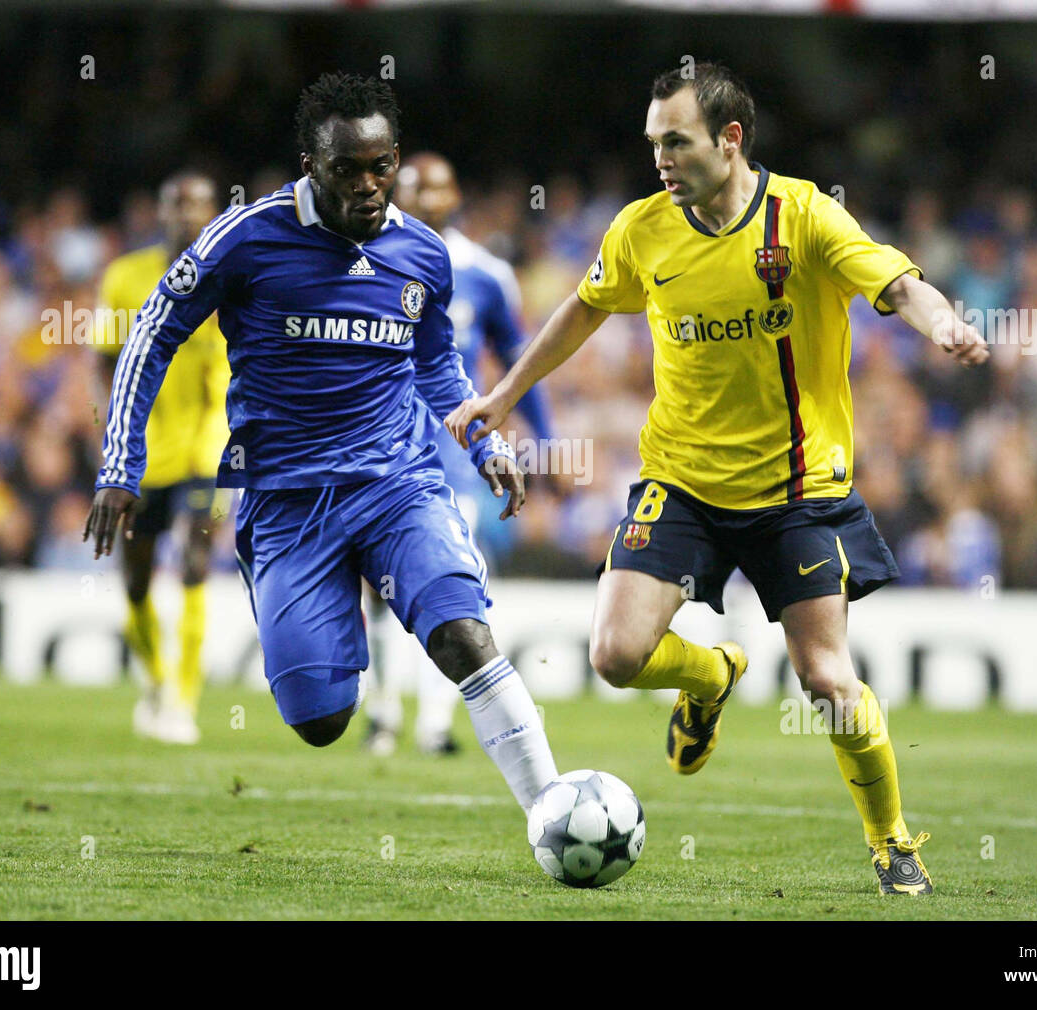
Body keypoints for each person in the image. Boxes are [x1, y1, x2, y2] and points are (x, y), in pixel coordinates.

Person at [449, 62, 988, 893]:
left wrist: (943, 320)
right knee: (615, 654)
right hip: (682, 479)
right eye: (653, 143)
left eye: (677, 142)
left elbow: (896, 282)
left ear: (730, 140)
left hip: (796, 489)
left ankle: (892, 842)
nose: (660, 158)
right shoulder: (642, 230)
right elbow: (587, 307)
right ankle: (711, 675)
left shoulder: (803, 215)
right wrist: (504, 394)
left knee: (826, 680)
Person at [85, 71, 559, 813]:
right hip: (287, 498)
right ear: (312, 165)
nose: (369, 185)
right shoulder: (246, 237)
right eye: (347, 169)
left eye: (381, 166)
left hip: (398, 482)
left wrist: (482, 443)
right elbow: (150, 334)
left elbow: (435, 362)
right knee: (319, 719)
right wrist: (121, 464)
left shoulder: (425, 255)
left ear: (395, 158)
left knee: (463, 633)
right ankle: (321, 643)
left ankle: (550, 809)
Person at [360, 152, 561, 757]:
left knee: (450, 580)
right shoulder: (368, 257)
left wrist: (546, 444)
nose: (426, 199)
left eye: (438, 189)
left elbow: (520, 361)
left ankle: (435, 724)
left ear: (453, 197)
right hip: (382, 440)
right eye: (415, 189)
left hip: (453, 449)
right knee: (377, 588)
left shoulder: (485, 273)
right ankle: (383, 712)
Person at [93, 171, 229, 745]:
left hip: (210, 444)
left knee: (196, 568)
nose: (187, 214)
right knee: (137, 580)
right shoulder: (126, 277)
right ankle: (155, 679)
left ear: (214, 211)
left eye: (199, 203)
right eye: (177, 203)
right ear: (160, 210)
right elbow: (105, 358)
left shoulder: (232, 273)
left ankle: (184, 700)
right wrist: (113, 429)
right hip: (143, 453)